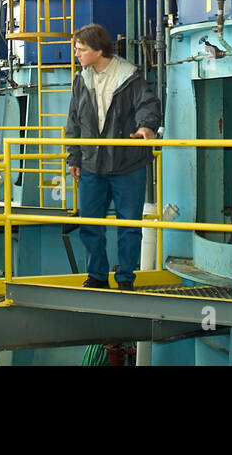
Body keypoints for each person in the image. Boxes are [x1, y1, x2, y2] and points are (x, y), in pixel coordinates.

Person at [64, 24, 163, 291]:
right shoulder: (81, 80)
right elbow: (74, 121)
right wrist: (73, 158)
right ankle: (96, 276)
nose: (77, 54)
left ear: (99, 50)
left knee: (129, 226)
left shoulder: (129, 77)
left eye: (81, 49)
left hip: (126, 164)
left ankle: (125, 278)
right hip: (91, 165)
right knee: (90, 224)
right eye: (76, 49)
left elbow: (148, 104)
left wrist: (146, 127)